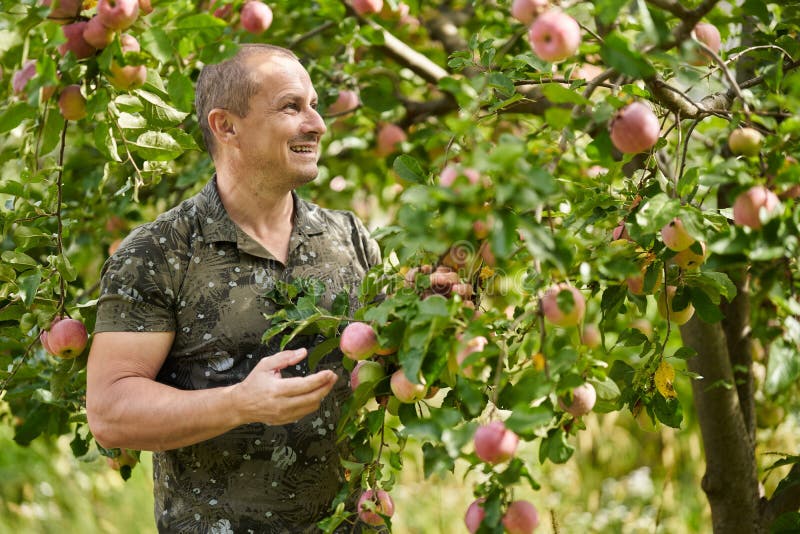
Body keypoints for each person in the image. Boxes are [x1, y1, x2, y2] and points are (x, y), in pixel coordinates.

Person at [86, 44, 381, 533]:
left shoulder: (347, 237)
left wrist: (434, 311)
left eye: (313, 105)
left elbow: (389, 359)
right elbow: (111, 411)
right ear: (226, 126)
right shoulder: (160, 252)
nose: (317, 123)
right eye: (292, 107)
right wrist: (241, 403)